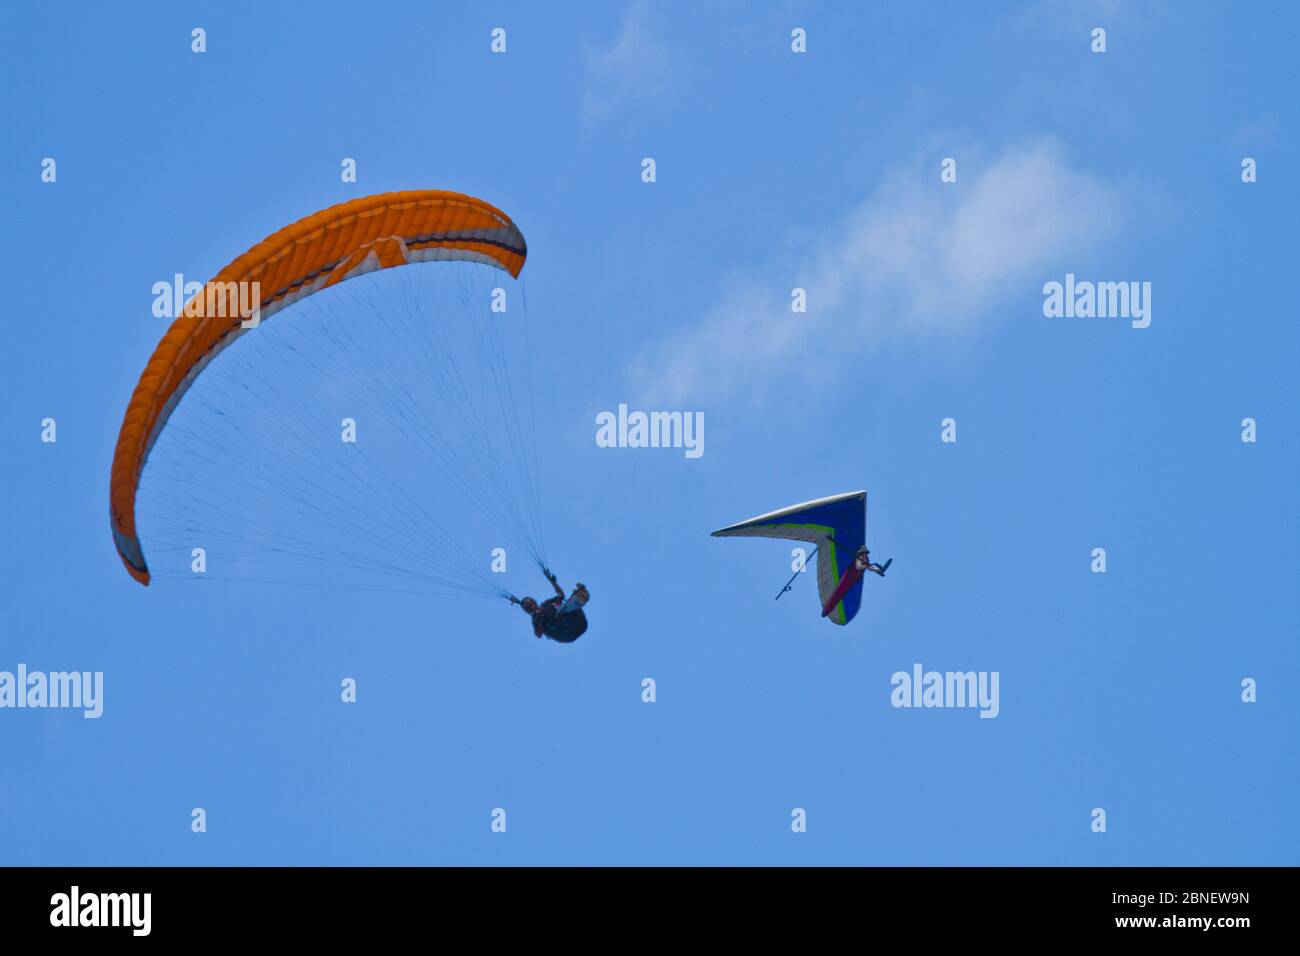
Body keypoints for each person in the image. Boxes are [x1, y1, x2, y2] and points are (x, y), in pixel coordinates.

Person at [513, 571, 590, 643]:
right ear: (527, 610)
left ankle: (580, 598)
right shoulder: (535, 619)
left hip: (579, 624)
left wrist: (553, 582)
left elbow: (561, 595)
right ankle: (577, 600)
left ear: (534, 602)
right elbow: (538, 634)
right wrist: (539, 622)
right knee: (559, 611)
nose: (531, 605)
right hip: (565, 633)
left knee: (562, 606)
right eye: (528, 606)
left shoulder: (546, 604)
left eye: (531, 602)